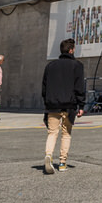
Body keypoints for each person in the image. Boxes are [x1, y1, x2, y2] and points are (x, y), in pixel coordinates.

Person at [42, 39, 87, 173]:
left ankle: (48, 155)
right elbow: (79, 87)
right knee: (66, 134)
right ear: (71, 50)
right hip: (69, 104)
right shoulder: (77, 65)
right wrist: (81, 105)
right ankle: (62, 163)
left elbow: (44, 87)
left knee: (52, 133)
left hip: (52, 104)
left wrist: (47, 101)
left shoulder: (50, 66)